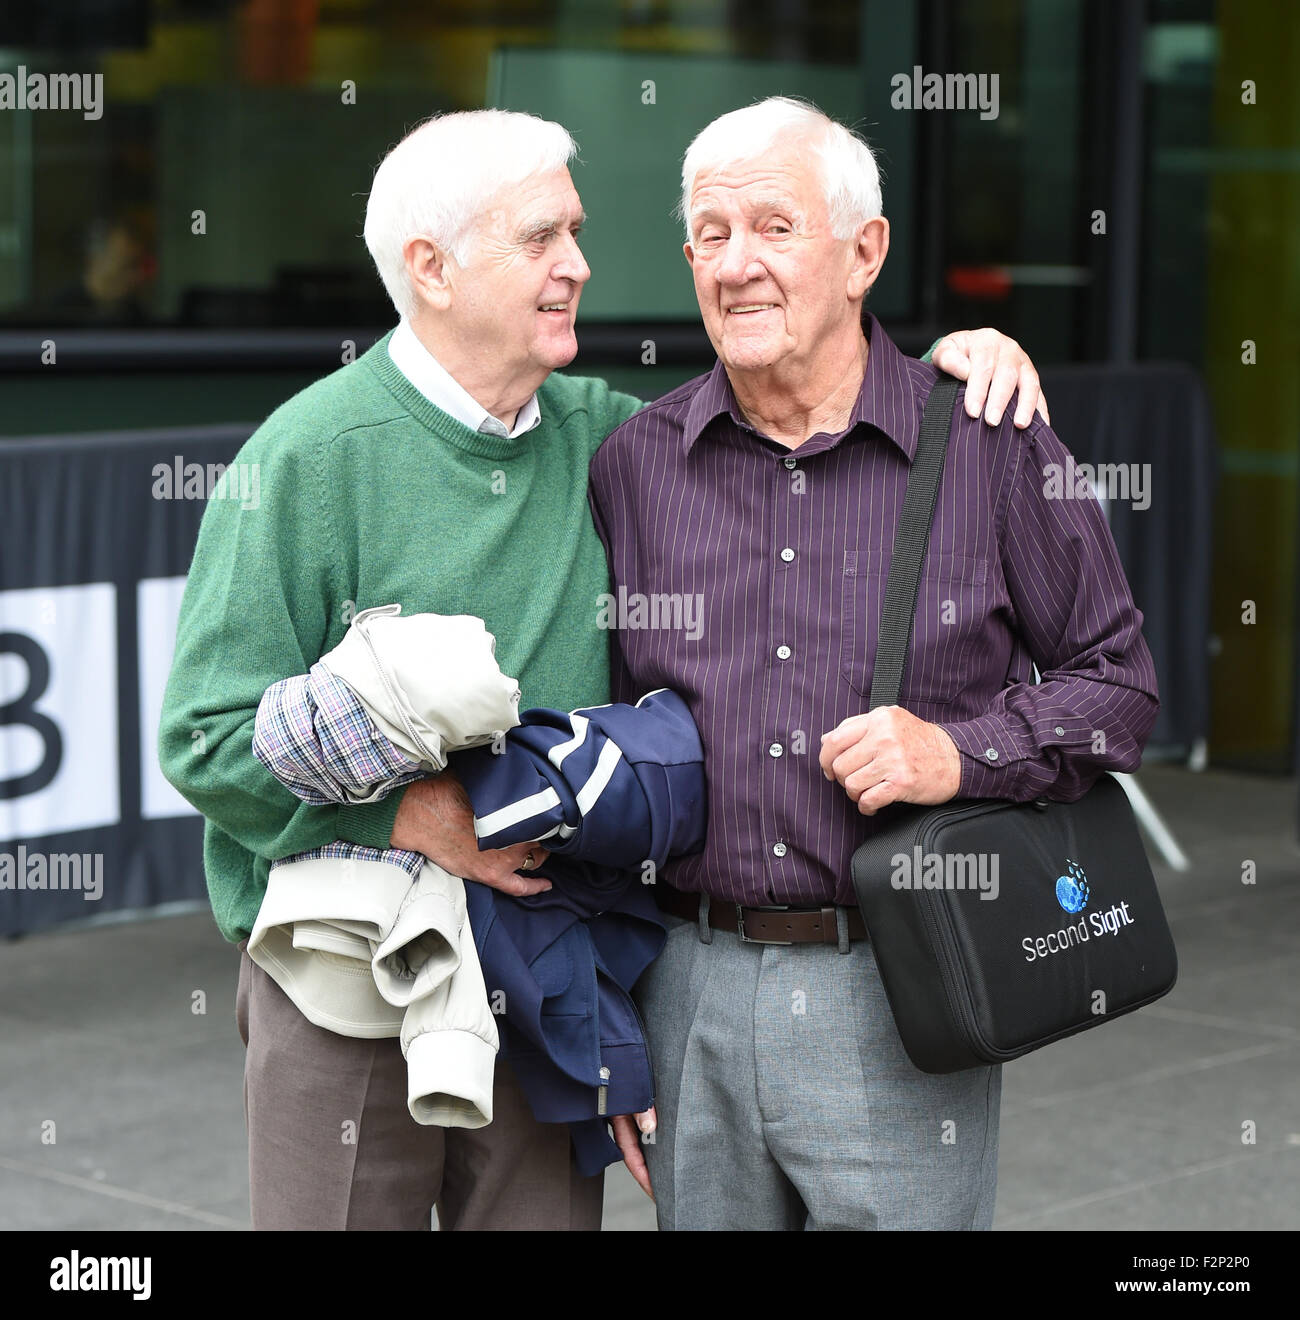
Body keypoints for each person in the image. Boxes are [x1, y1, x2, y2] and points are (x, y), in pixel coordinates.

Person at [159, 106, 1049, 1231]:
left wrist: (952, 374)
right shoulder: (305, 459)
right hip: (350, 987)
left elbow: (796, 396)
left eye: (574, 232)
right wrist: (415, 818)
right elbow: (202, 736)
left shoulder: (609, 441)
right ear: (431, 269)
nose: (579, 265)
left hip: (543, 969)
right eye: (541, 238)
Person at [587, 97, 1159, 1231]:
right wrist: (612, 1033)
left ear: (865, 252)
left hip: (897, 982)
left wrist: (960, 751)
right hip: (687, 985)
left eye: (774, 226)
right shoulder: (632, 464)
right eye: (710, 233)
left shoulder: (988, 436)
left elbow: (1121, 691)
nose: (736, 264)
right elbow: (609, 757)